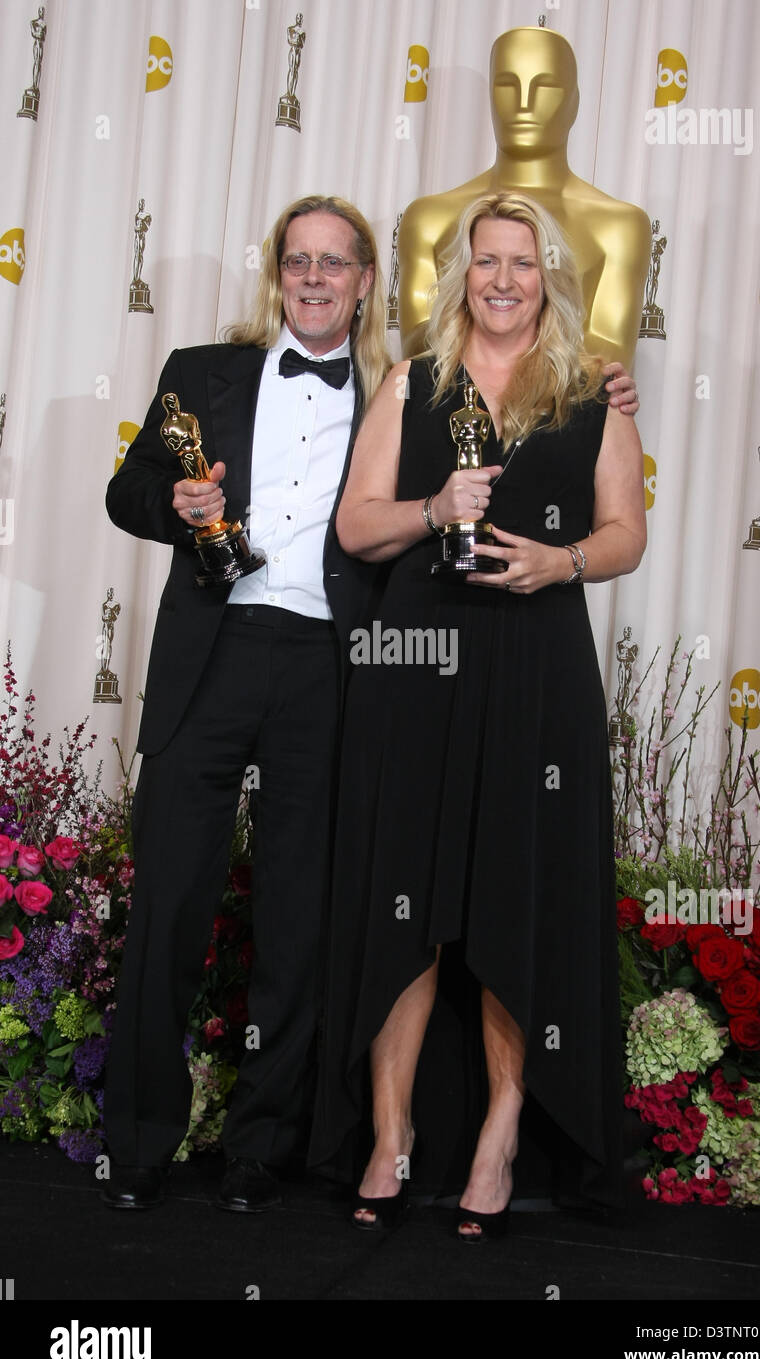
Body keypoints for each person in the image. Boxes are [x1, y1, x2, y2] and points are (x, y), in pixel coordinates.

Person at [309, 191, 646, 1240]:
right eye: (486, 260)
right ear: (462, 273)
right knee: (401, 910)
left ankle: (500, 1137)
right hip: (416, 665)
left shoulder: (592, 387)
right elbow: (356, 526)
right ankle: (389, 1132)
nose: (502, 279)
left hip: (537, 670)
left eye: (522, 262)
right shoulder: (412, 382)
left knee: (511, 899)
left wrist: (564, 561)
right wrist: (431, 510)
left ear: (548, 274)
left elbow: (625, 532)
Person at [102, 195, 389, 1212]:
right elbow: (125, 490)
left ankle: (263, 1145)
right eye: (297, 260)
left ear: (363, 281)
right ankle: (135, 1138)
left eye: (334, 263)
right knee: (171, 896)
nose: (314, 278)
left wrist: (604, 391)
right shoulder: (199, 370)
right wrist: (175, 510)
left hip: (330, 668)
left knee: (299, 913)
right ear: (278, 274)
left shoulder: (402, 392)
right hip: (212, 654)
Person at [397, 26, 651, 371]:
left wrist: (492, 346)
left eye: (544, 87)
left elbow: (608, 359)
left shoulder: (619, 226)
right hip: (452, 420)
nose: (524, 103)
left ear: (574, 103)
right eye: (507, 85)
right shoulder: (428, 219)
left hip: (566, 422)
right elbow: (418, 351)